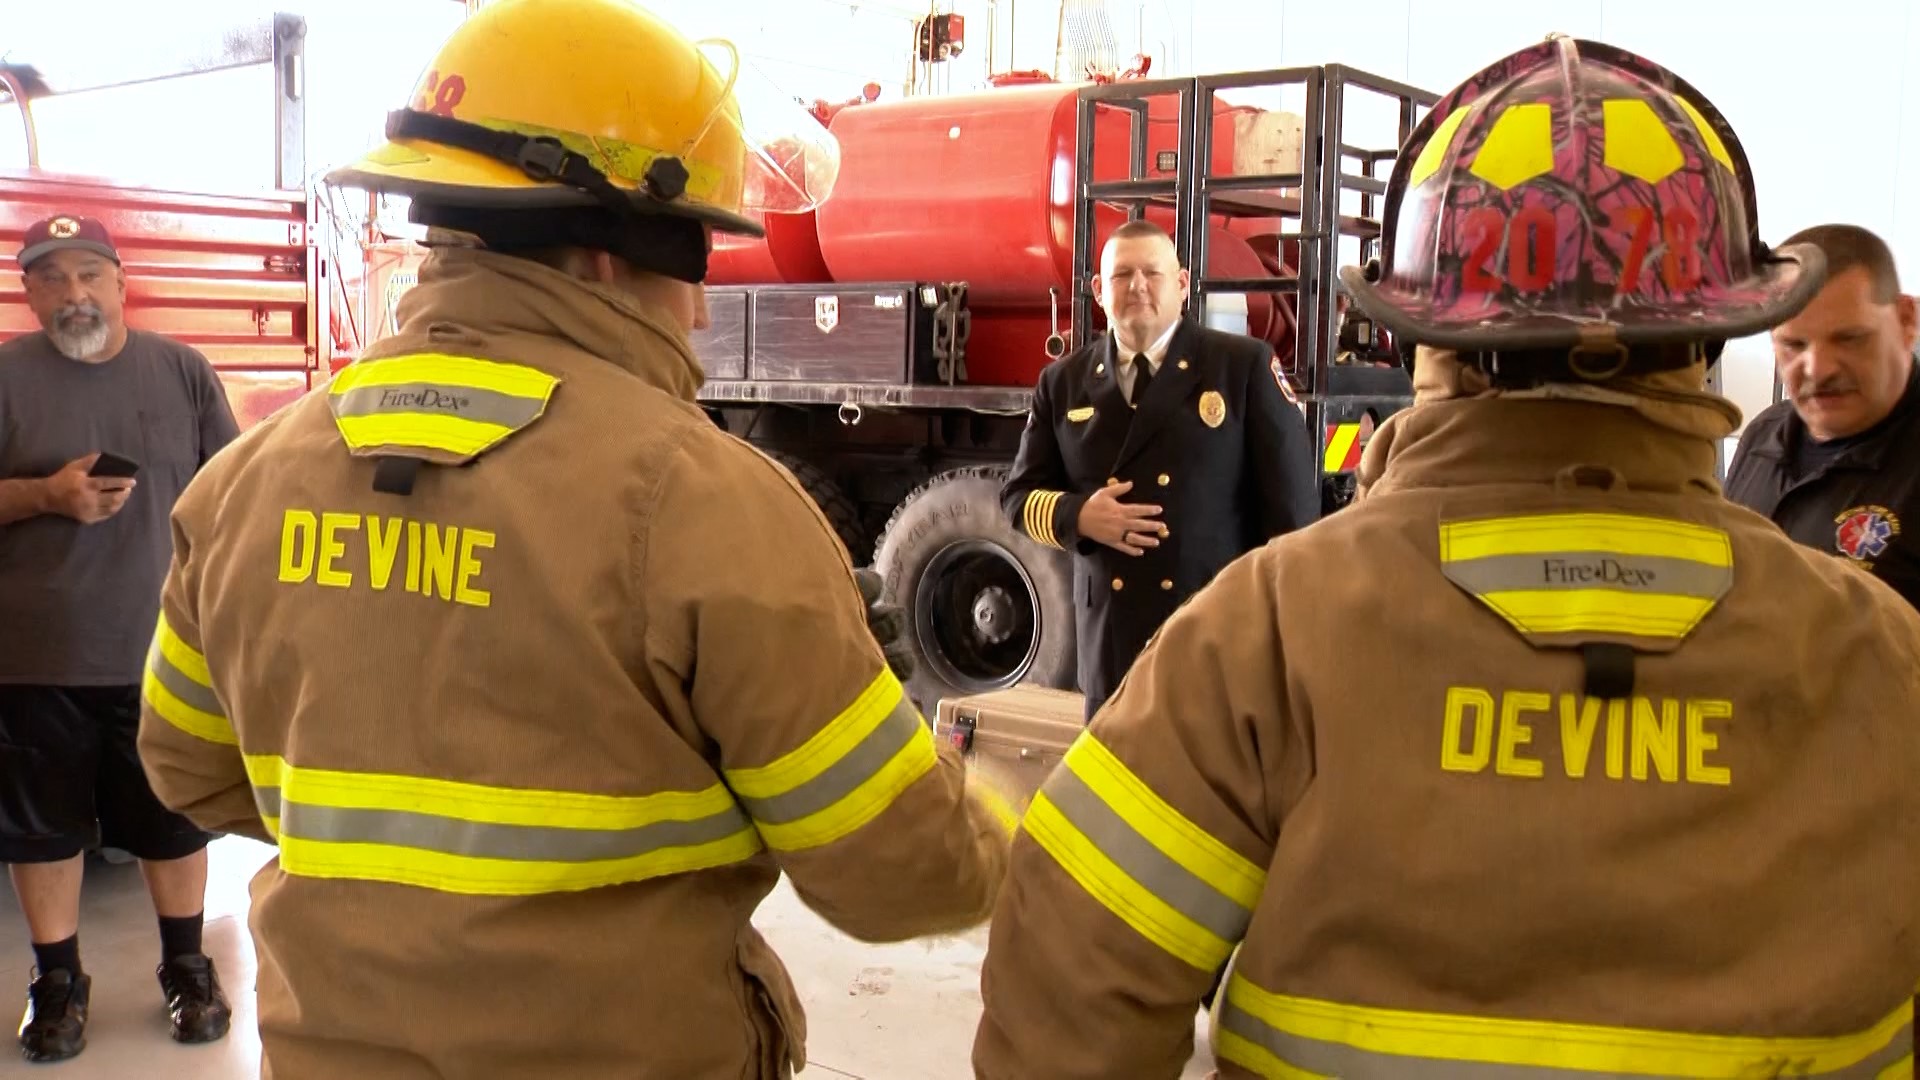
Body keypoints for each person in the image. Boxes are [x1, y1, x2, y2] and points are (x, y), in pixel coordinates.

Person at [973, 35, 1920, 1079]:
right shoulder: (1881, 657)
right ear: (1708, 342)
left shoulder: (1269, 628)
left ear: (1431, 340)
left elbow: (1067, 990)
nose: (1132, 293)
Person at [133, 2, 1011, 1077]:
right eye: (694, 257)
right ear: (609, 252)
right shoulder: (702, 503)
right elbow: (900, 878)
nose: (698, 312)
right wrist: (994, 809)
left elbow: (184, 767)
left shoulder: (240, 489)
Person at [0, 212, 239, 1062]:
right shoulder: (4, 377)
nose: (74, 294)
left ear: (120, 280)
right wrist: (43, 497)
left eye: (89, 274)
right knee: (42, 831)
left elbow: (231, 500)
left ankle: (187, 968)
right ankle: (57, 982)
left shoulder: (182, 371)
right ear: (28, 293)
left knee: (172, 820)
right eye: (53, 279)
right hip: (34, 659)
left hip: (162, 652)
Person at [1000, 219, 1318, 721]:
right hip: (1110, 650)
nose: (1139, 286)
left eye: (1153, 272)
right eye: (1122, 275)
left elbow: (1293, 521)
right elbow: (1017, 498)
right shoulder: (1063, 383)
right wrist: (1080, 517)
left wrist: (1280, 647)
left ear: (1183, 285)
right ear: (1099, 291)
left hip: (1214, 640)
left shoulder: (1240, 367)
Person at [1723, 223, 1920, 609]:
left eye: (1849, 338)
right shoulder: (1761, 436)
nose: (1818, 368)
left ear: (1906, 320)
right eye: (1794, 344)